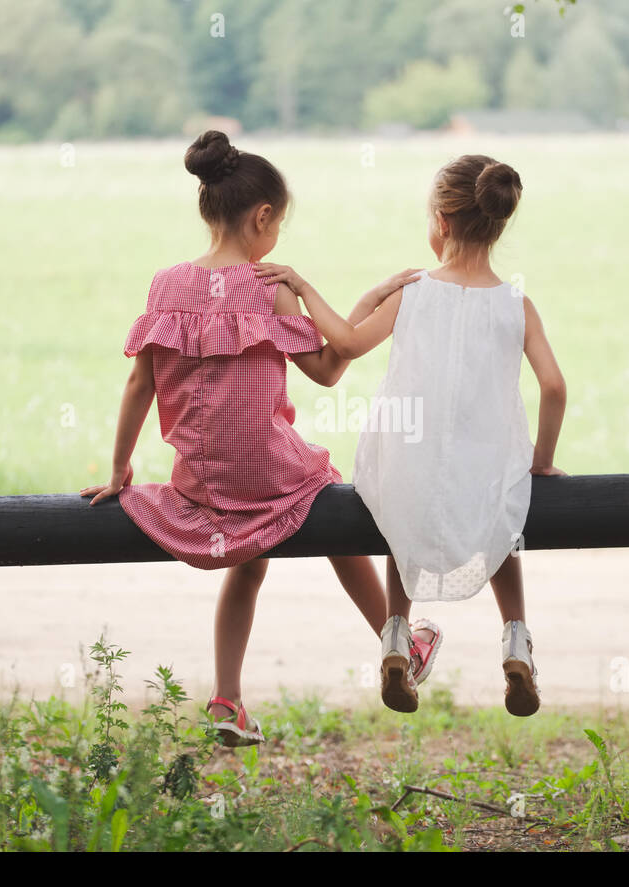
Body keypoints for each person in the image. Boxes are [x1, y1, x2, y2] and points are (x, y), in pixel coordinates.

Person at [81, 131, 432, 745]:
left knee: (247, 566)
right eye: (279, 225)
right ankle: (396, 640)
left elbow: (141, 384)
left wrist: (119, 472)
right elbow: (326, 368)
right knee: (334, 508)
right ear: (262, 218)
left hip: (205, 480)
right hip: (269, 470)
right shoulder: (271, 285)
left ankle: (225, 700)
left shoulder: (166, 285)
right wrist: (373, 303)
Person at [255, 154, 567, 717]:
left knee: (401, 520)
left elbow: (344, 346)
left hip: (404, 458)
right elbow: (555, 387)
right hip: (486, 459)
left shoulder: (413, 292)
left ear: (441, 223)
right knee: (499, 518)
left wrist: (303, 286)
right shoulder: (517, 304)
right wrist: (540, 462)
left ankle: (396, 638)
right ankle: (516, 641)